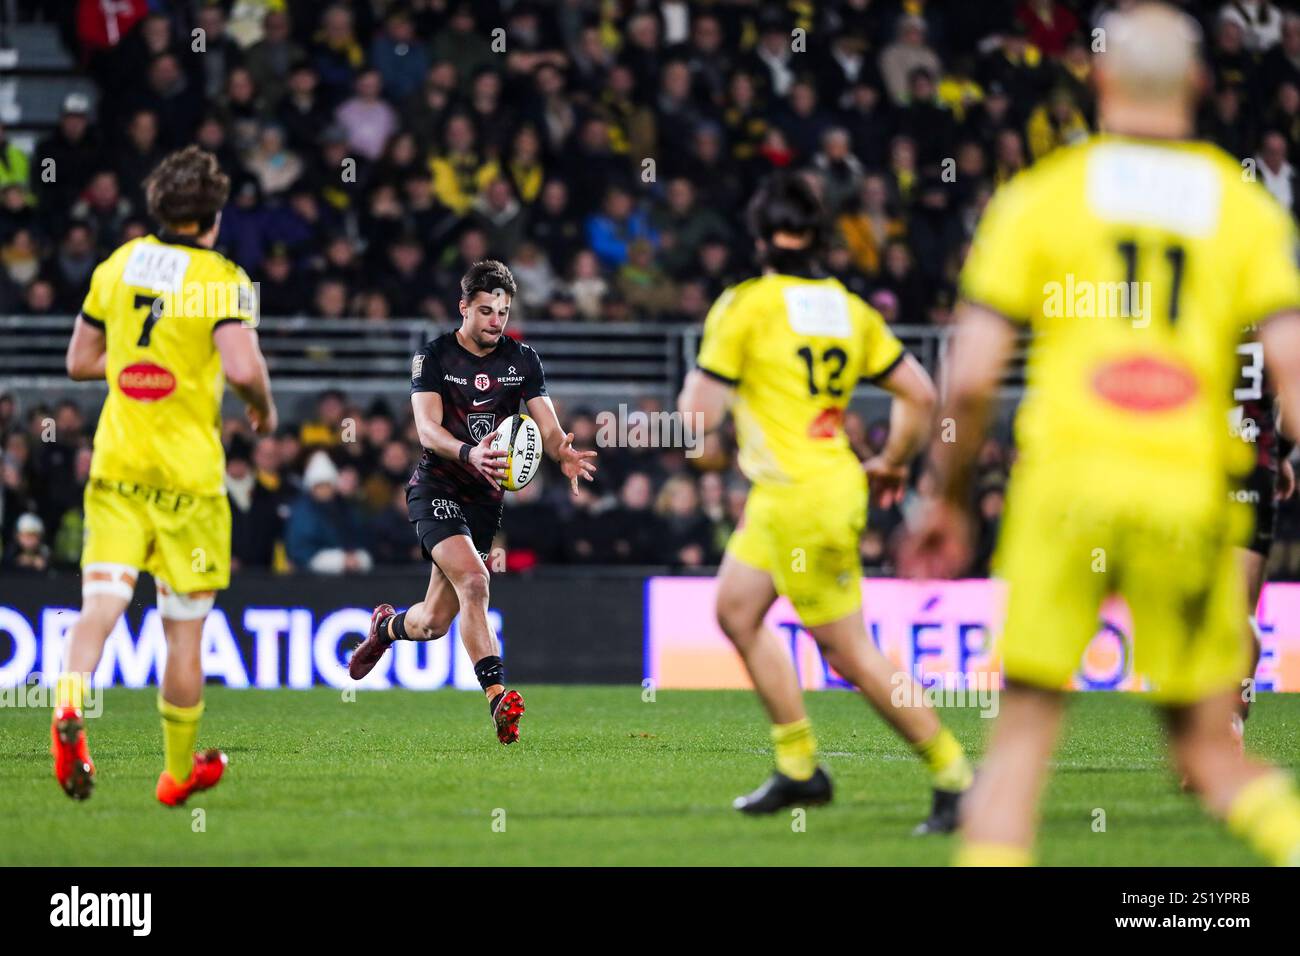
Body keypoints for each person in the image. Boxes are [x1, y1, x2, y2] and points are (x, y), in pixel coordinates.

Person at [902, 2, 1300, 866]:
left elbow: (967, 382)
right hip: (1192, 494)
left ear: (1099, 76)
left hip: (1065, 490)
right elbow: (1293, 375)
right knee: (1207, 749)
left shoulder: (1041, 198)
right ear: (1199, 84)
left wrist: (951, 499)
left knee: (1023, 735)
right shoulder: (1245, 211)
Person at [676, 171, 973, 828]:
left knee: (849, 652)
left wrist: (712, 456)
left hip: (796, 496)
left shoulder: (745, 305)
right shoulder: (850, 309)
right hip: (813, 486)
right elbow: (921, 395)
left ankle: (955, 773)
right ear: (820, 240)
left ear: (761, 239)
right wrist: (892, 461)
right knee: (736, 609)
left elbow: (695, 423)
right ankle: (800, 769)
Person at [53, 146, 276, 805]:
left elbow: (78, 360)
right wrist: (260, 407)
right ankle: (177, 774)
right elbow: (240, 367)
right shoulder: (223, 276)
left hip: (118, 462)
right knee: (183, 628)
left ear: (156, 206)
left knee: (102, 604)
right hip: (187, 479)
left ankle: (68, 708)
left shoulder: (117, 265)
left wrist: (136, 366)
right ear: (212, 215)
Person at [347, 261, 596, 744]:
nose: (495, 321)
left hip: (484, 501)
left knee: (433, 623)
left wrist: (561, 448)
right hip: (437, 487)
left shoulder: (523, 359)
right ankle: (498, 696)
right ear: (463, 307)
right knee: (476, 582)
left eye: (503, 312)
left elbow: (545, 423)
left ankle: (387, 627)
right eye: (486, 311)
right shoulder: (434, 357)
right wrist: (468, 452)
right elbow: (426, 429)